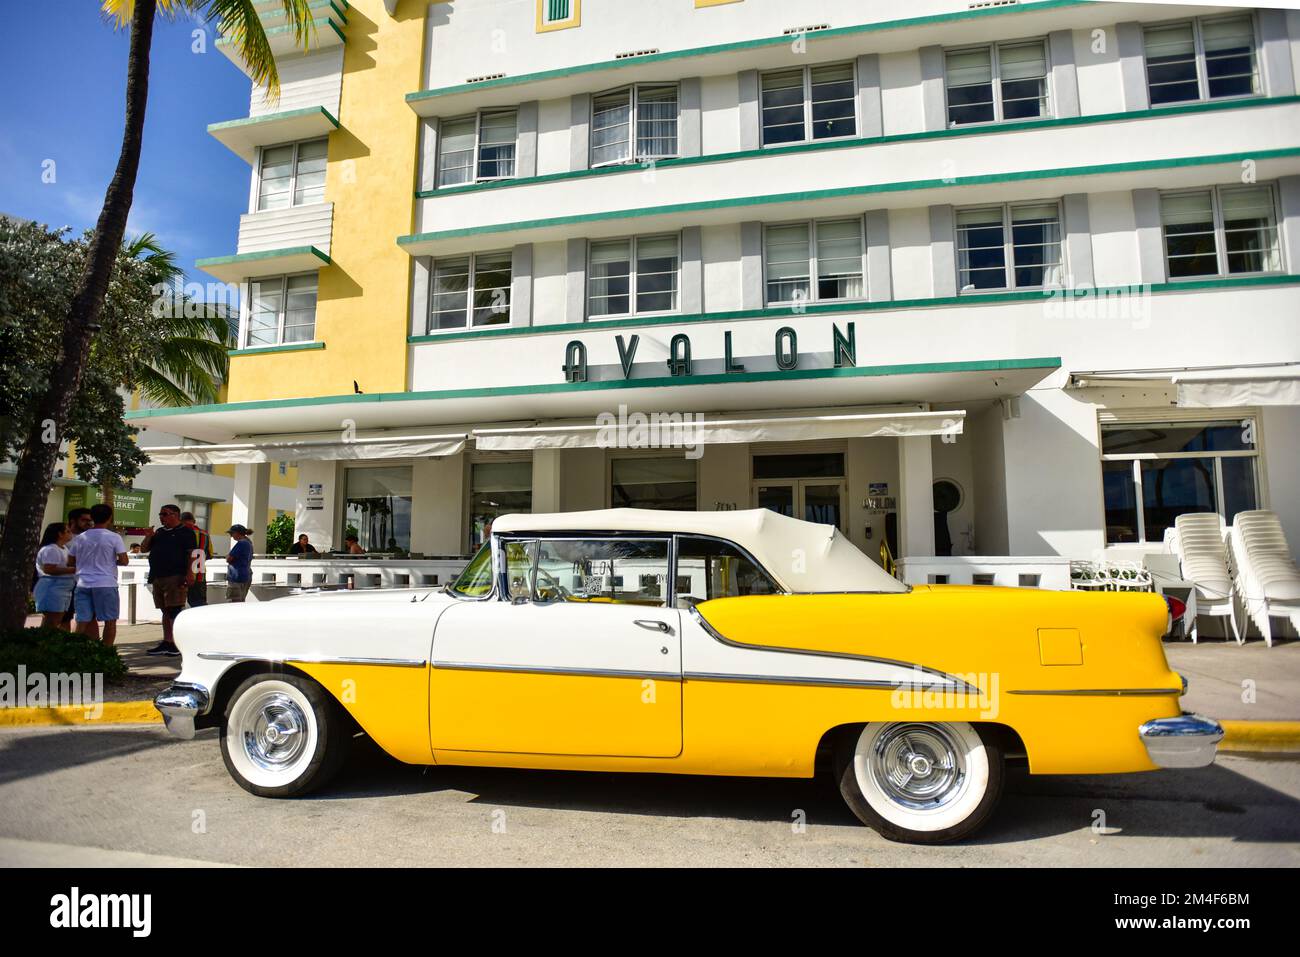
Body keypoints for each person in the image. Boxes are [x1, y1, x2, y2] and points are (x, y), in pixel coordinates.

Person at [66, 503, 129, 646]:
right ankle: (107, 653)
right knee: (110, 621)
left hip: (82, 583)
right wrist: (111, 561)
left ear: (92, 517)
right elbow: (124, 560)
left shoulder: (80, 537)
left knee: (82, 620)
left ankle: (76, 651)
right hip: (106, 583)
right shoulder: (114, 537)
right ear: (110, 518)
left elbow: (70, 561)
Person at [140, 504, 197, 657]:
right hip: (158, 575)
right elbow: (144, 549)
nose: (161, 517)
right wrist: (148, 535)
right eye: (160, 514)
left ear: (175, 515)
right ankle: (167, 641)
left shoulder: (186, 532)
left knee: (175, 610)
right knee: (165, 610)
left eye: (165, 514)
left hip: (175, 575)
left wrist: (190, 574)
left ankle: (177, 643)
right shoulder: (159, 532)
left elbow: (192, 554)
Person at [33, 523, 76, 630]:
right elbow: (49, 569)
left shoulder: (64, 548)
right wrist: (74, 569)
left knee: (57, 619)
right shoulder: (50, 549)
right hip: (52, 587)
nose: (70, 533)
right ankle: (45, 642)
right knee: (52, 620)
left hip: (63, 588)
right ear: (60, 534)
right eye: (67, 531)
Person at [61, 507, 94, 629]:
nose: (89, 523)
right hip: (64, 583)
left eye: (90, 520)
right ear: (73, 521)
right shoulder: (63, 537)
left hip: (84, 582)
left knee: (88, 617)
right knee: (63, 617)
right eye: (84, 520)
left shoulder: (89, 537)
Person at [181, 511, 214, 608]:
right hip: (200, 574)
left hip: (181, 573)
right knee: (199, 603)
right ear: (194, 521)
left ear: (180, 521)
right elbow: (210, 554)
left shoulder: (180, 533)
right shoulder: (205, 534)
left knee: (176, 605)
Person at [225, 525, 254, 602]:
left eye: (232, 533)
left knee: (234, 602)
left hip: (236, 577)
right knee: (241, 602)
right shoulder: (249, 543)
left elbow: (229, 558)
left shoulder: (241, 543)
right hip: (246, 575)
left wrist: (227, 556)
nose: (231, 536)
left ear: (238, 533)